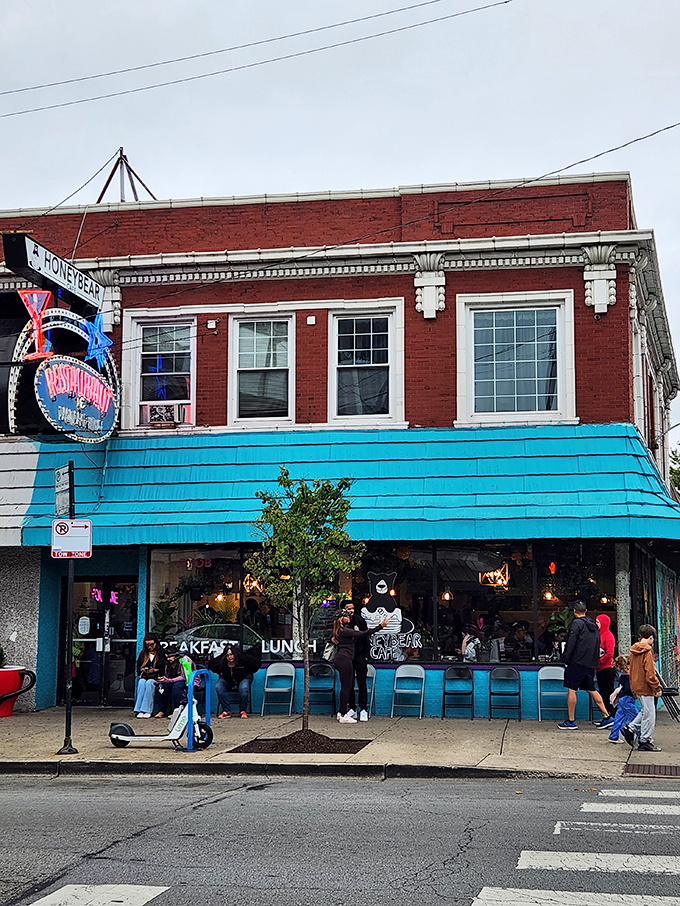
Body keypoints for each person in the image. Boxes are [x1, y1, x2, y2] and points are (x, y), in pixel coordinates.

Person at [557, 601, 610, 729]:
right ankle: (606, 716)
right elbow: (597, 644)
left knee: (572, 689)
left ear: (575, 611)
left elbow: (571, 643)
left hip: (577, 662)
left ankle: (571, 720)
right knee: (591, 689)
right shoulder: (593, 625)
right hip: (590, 664)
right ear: (586, 611)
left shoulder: (577, 624)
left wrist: (565, 658)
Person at [332, 609, 387, 722]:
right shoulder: (345, 630)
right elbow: (365, 633)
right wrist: (380, 626)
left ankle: (341, 712)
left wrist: (355, 634)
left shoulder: (339, 631)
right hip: (345, 660)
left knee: (345, 686)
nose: (349, 617)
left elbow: (350, 643)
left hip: (341, 659)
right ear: (342, 619)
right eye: (346, 616)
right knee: (346, 688)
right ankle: (343, 714)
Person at [622, 624, 663, 752]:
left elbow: (632, 670)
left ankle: (631, 729)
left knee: (645, 711)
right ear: (650, 638)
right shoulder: (647, 651)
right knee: (650, 715)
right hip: (646, 687)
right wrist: (657, 687)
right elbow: (650, 673)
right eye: (653, 639)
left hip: (637, 685)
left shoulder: (634, 650)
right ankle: (645, 740)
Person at [208, 643, 261, 718]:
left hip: (244, 677)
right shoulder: (222, 662)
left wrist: (249, 671)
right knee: (219, 687)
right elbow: (211, 665)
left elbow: (256, 663)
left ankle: (243, 710)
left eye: (231, 654)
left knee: (244, 688)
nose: (230, 657)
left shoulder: (243, 659)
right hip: (227, 679)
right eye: (227, 655)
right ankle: (226, 711)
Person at [343, 601, 371, 721]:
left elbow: (366, 637)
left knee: (362, 682)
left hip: (359, 655)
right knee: (348, 684)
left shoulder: (360, 621)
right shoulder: (341, 623)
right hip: (348, 656)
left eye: (352, 608)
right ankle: (352, 708)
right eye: (348, 608)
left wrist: (365, 655)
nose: (351, 610)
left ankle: (363, 709)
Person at [153, 642, 195, 718]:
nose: (168, 659)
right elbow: (167, 676)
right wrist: (162, 679)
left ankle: (177, 710)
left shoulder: (184, 660)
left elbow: (184, 677)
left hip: (188, 681)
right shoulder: (168, 663)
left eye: (169, 657)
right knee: (163, 686)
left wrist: (169, 680)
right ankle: (162, 710)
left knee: (177, 687)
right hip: (173, 680)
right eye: (167, 657)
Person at [608, 655, 639, 743]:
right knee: (636, 718)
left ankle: (614, 736)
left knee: (619, 718)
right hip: (628, 700)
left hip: (622, 699)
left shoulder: (622, 676)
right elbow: (630, 690)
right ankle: (641, 736)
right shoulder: (630, 678)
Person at [133, 633, 165, 718]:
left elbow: (164, 668)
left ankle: (146, 710)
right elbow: (138, 667)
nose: (150, 647)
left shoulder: (161, 653)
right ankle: (138, 709)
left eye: (152, 644)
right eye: (147, 645)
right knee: (141, 682)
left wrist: (155, 670)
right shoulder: (143, 653)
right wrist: (143, 669)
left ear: (156, 643)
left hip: (156, 677)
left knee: (149, 683)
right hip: (145, 676)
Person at [595, 613, 616, 720]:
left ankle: (612, 714)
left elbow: (610, 653)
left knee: (608, 692)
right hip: (599, 668)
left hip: (607, 668)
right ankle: (607, 715)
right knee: (603, 692)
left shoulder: (608, 636)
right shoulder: (598, 634)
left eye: (598, 622)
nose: (596, 624)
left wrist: (600, 661)